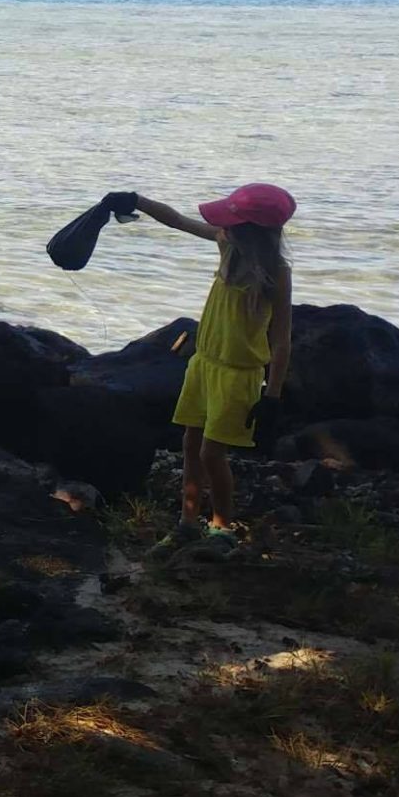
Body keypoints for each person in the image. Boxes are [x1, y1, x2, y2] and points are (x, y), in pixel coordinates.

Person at [121, 184, 294, 537]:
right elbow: (177, 221)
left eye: (232, 220)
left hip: (238, 375)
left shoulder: (277, 273)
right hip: (204, 364)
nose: (224, 225)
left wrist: (272, 396)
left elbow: (281, 340)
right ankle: (187, 521)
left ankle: (221, 528)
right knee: (189, 445)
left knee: (212, 455)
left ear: (251, 230)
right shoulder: (227, 245)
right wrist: (135, 200)